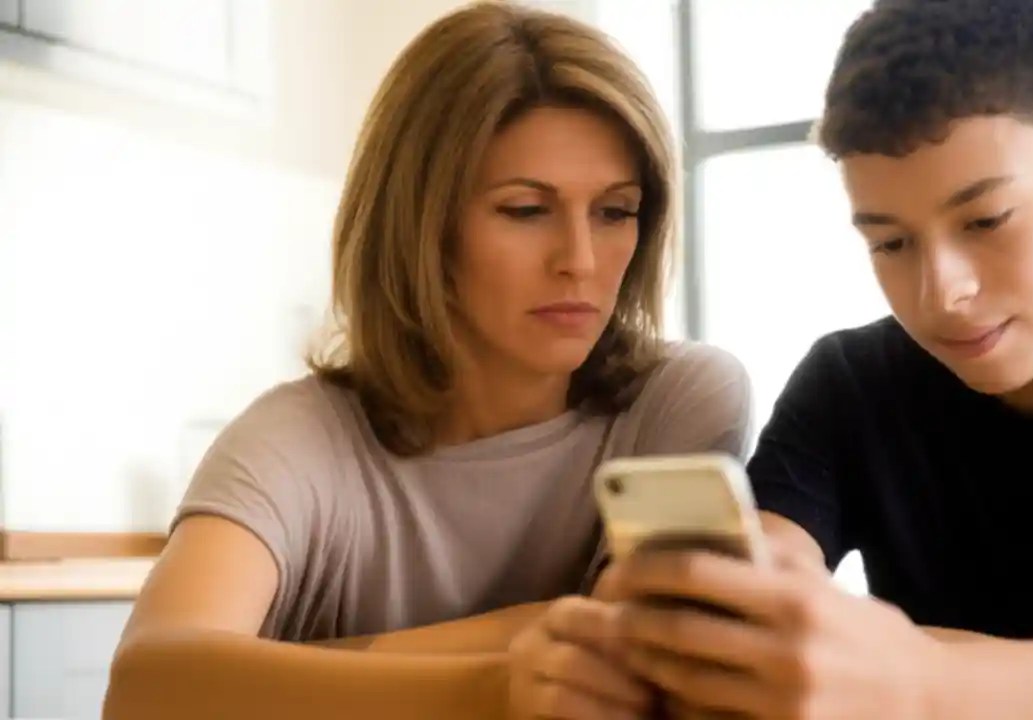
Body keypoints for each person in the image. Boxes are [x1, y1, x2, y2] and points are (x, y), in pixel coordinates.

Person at [566, 0, 1033, 717]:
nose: (942, 294)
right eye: (891, 243)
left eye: (986, 221)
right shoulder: (850, 384)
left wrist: (935, 684)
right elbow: (758, 605)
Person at [104, 2, 750, 718]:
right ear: (421, 225)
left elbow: (652, 664)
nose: (581, 260)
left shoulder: (681, 399)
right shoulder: (300, 437)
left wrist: (286, 670)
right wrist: (502, 685)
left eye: (615, 211)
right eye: (526, 210)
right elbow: (144, 688)